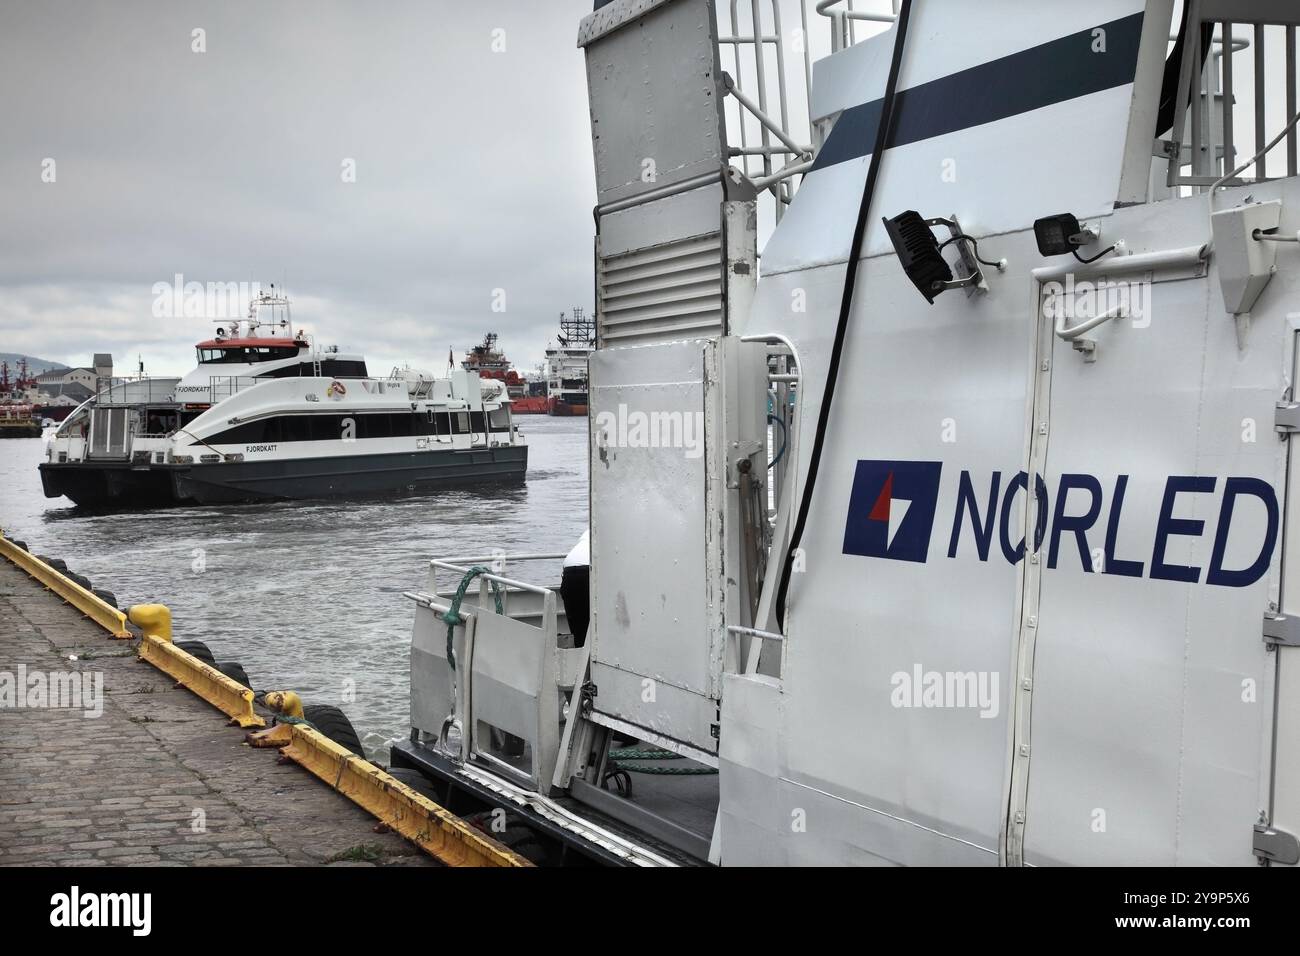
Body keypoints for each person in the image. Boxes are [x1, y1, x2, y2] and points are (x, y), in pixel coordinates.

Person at [560, 528, 590, 648]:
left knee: (578, 629)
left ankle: (580, 656)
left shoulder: (589, 531)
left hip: (569, 572)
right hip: (589, 570)